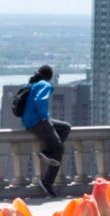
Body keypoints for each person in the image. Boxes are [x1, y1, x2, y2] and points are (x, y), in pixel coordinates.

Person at [21, 64, 72, 197]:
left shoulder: (33, 84)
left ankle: (48, 152)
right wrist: (45, 117)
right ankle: (47, 182)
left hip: (30, 121)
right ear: (50, 77)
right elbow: (39, 100)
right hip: (37, 121)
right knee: (59, 148)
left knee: (65, 127)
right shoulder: (44, 84)